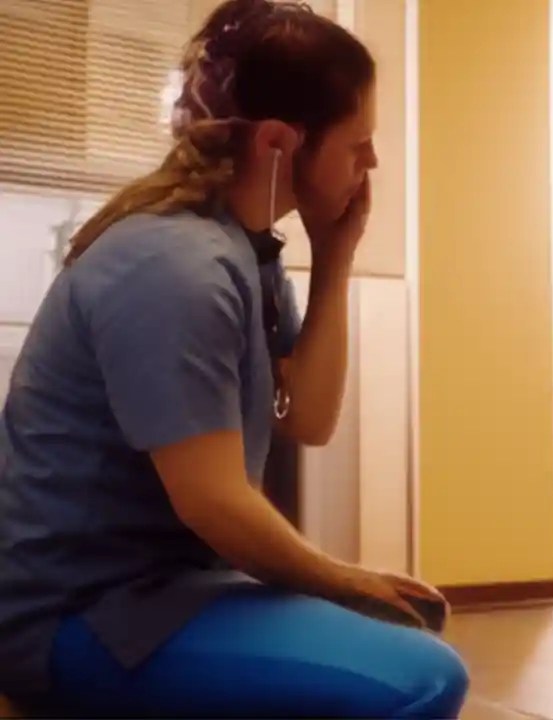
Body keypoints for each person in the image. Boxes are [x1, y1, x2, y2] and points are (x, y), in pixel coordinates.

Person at [0, 1, 468, 716]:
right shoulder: (173, 265)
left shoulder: (244, 252)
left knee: (406, 625)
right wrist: (346, 580)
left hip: (171, 591)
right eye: (358, 143)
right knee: (425, 678)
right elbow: (214, 503)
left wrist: (335, 257)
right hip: (81, 616)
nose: (371, 163)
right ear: (280, 143)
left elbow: (308, 418)